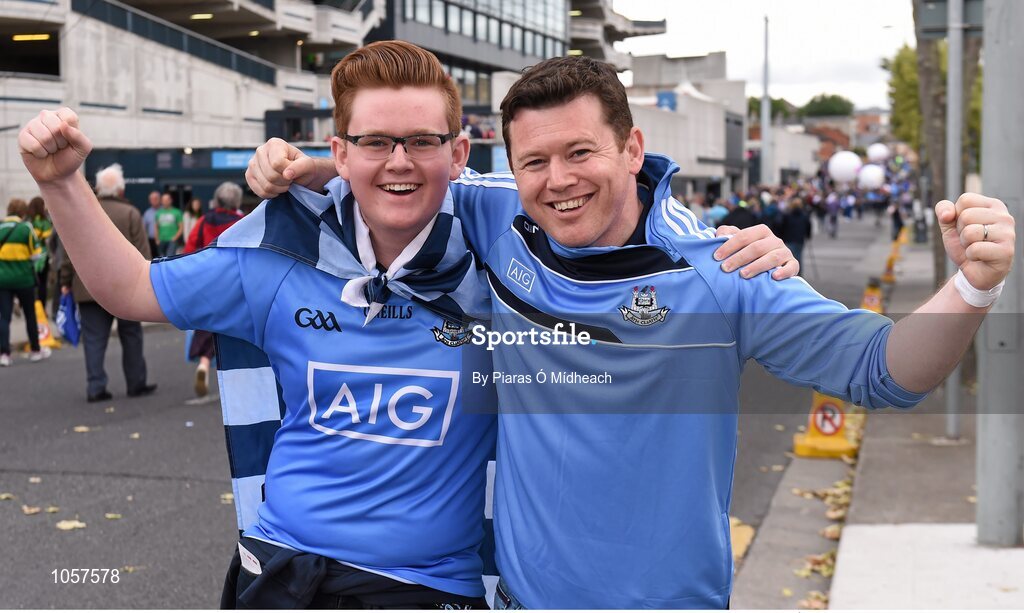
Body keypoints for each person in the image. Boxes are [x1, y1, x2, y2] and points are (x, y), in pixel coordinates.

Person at [18, 42, 795, 609]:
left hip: (424, 591)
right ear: (338, 147)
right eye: (374, 142)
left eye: (422, 141)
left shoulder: (506, 256)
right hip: (278, 572)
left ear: (458, 152)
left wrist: (726, 249)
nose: (400, 161)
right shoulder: (278, 258)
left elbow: (602, 213)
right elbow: (129, 288)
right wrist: (62, 184)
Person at [247, 54, 1015, 609]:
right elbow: (405, 173)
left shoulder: (727, 271)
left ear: (633, 148)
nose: (559, 179)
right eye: (535, 161)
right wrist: (305, 166)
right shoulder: (500, 215)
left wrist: (975, 284)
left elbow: (888, 371)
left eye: (581, 151)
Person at [59, 164, 157, 402]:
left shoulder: (82, 214)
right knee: (131, 335)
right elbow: (144, 253)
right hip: (128, 288)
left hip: (87, 286)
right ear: (121, 190)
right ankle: (136, 383)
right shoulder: (131, 213)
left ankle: (96, 388)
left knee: (93, 339)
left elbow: (68, 252)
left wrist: (65, 282)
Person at [181, 181, 245, 396]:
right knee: (237, 331)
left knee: (208, 327)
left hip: (208, 283)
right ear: (236, 201)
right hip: (235, 285)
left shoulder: (203, 221)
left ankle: (204, 364)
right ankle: (237, 380)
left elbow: (190, 250)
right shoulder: (243, 222)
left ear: (216, 200)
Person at [0, 198, 49, 366]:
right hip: (24, 279)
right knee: (30, 314)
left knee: (4, 317)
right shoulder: (26, 228)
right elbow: (37, 253)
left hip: (3, 280)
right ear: (22, 212)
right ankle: (35, 350)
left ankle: (4, 354)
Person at [778, 196, 813, 269]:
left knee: (789, 258)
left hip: (789, 239)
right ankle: (798, 272)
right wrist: (808, 235)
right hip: (799, 239)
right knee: (799, 257)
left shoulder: (787, 215)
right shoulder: (804, 215)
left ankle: (790, 272)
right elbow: (808, 226)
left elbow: (782, 227)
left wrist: (781, 236)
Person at [154, 192, 183, 257]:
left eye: (167, 200)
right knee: (161, 258)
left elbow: (181, 227)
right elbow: (156, 227)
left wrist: (175, 238)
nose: (165, 202)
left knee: (169, 257)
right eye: (163, 200)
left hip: (172, 240)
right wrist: (157, 239)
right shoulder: (158, 213)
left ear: (170, 200)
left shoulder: (177, 212)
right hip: (161, 240)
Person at [142, 190, 160, 257]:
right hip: (151, 241)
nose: (154, 200)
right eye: (152, 199)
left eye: (156, 199)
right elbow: (143, 227)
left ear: (159, 199)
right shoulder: (147, 213)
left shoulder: (164, 211)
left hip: (163, 239)